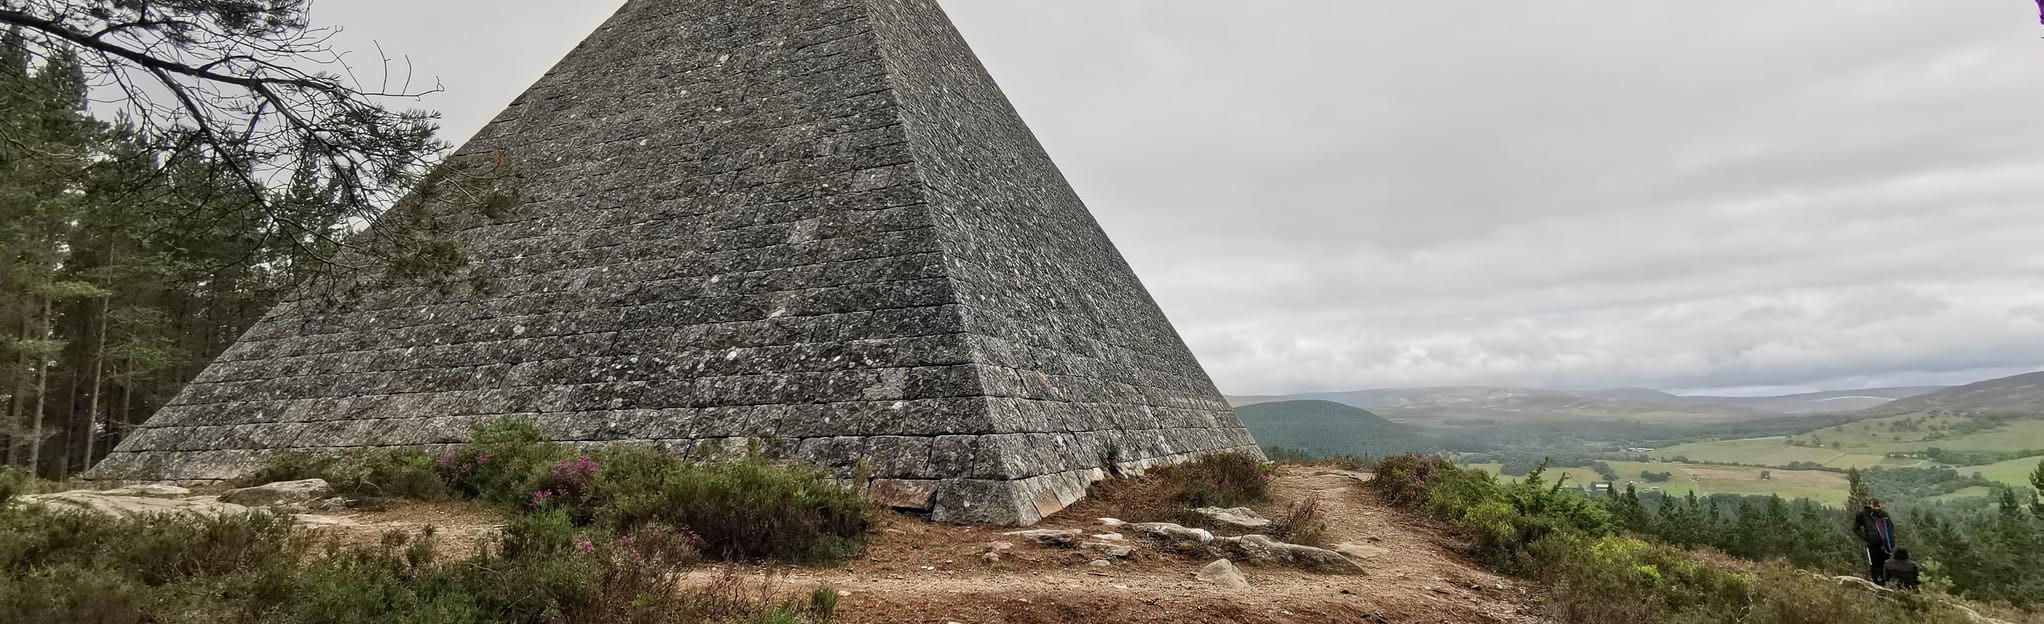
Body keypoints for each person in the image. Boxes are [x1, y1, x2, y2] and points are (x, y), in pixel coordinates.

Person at [1852, 498, 1896, 583]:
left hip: (1886, 545)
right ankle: (1876, 584)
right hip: (1873, 545)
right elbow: (1855, 527)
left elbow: (1891, 527)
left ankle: (1885, 583)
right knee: (1875, 566)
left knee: (1886, 565)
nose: (1877, 507)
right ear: (1869, 505)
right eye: (1874, 505)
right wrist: (1867, 538)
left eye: (1878, 505)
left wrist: (1892, 539)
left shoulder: (1884, 515)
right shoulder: (1864, 515)